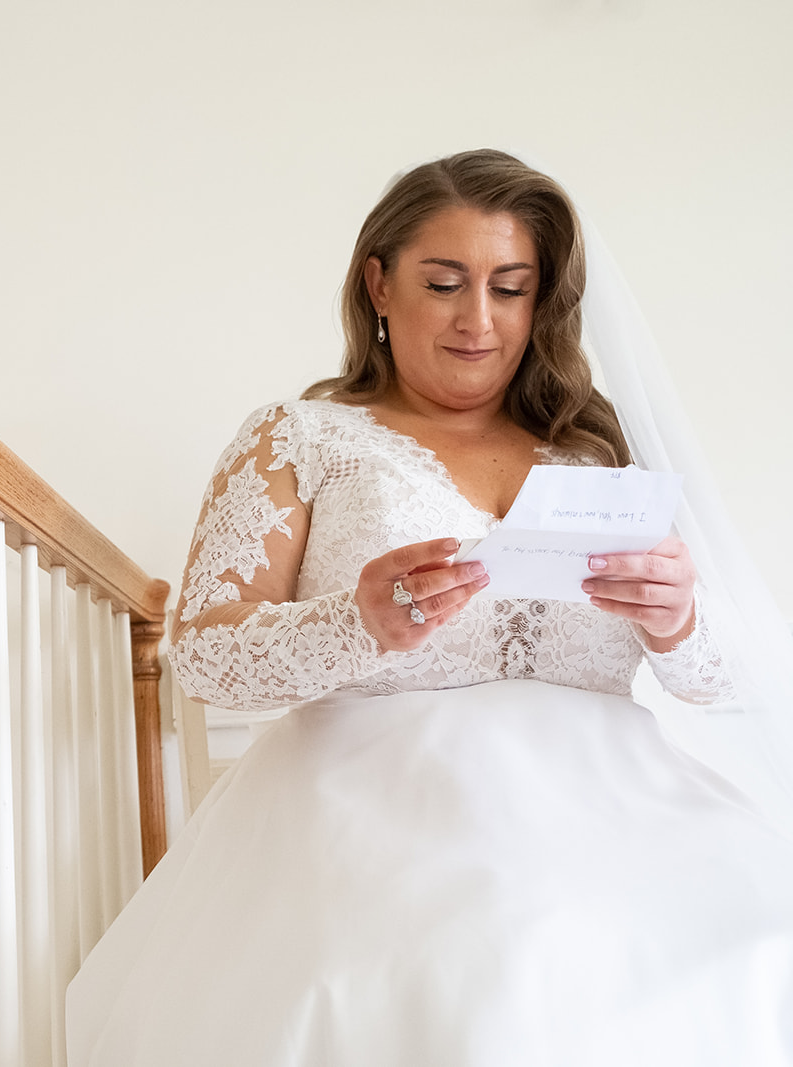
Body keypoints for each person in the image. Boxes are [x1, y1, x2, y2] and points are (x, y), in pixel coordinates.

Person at [66, 150, 793, 1065]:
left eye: (511, 287)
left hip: (622, 814)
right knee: (491, 972)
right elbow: (205, 656)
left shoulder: (601, 452)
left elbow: (725, 676)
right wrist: (355, 622)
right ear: (378, 281)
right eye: (444, 282)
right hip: (386, 818)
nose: (478, 320)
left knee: (760, 942)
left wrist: (675, 614)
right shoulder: (301, 437)